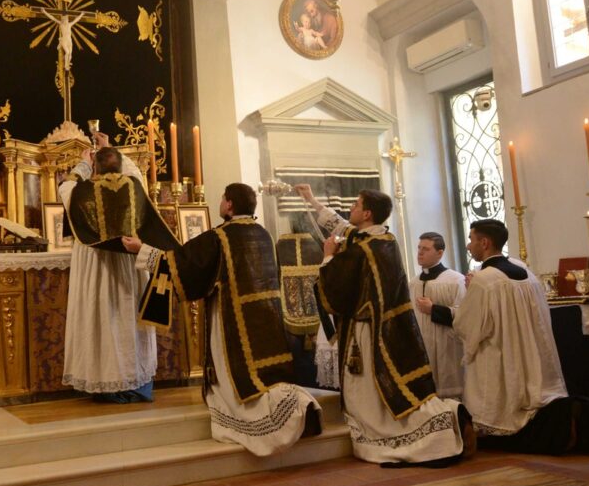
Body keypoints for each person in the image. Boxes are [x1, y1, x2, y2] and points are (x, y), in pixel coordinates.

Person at [127, 183, 322, 454]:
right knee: (261, 373)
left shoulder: (221, 236)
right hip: (264, 319)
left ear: (229, 205)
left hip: (232, 317)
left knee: (235, 374)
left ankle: (263, 414)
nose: (220, 203)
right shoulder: (263, 233)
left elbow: (183, 265)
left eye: (222, 199)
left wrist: (142, 250)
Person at [296, 183, 471, 465]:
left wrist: (328, 255)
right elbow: (341, 226)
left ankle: (397, 434)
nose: (350, 209)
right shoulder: (380, 240)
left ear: (366, 213)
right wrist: (311, 200)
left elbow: (337, 288)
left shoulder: (365, 249)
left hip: (368, 333)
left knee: (366, 393)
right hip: (382, 329)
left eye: (355, 205)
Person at [449, 218, 589, 454]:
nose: (468, 245)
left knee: (503, 405)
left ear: (485, 243)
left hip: (500, 353)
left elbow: (468, 325)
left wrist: (469, 294)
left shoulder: (485, 280)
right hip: (530, 349)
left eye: (471, 239)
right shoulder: (525, 272)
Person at [59, 132, 178, 402]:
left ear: (96, 167)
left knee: (100, 318)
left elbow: (65, 187)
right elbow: (135, 172)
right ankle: (134, 382)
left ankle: (104, 384)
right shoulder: (134, 186)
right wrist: (109, 148)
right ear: (119, 164)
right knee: (129, 320)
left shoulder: (81, 191)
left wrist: (83, 164)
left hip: (95, 266)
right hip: (129, 264)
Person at [414, 232, 467, 400]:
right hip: (423, 350)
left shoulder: (455, 280)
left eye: (426, 249)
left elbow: (465, 316)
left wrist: (434, 309)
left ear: (440, 252)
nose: (420, 253)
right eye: (419, 248)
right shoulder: (413, 283)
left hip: (447, 349)